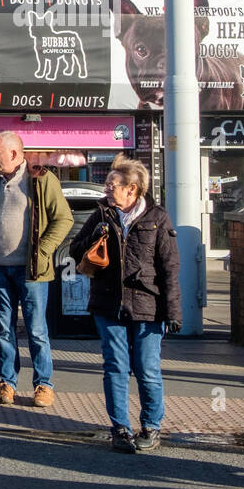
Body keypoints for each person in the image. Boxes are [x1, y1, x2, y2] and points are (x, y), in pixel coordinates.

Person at [69, 156, 181, 453]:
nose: (107, 188)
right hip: (109, 304)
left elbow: (170, 267)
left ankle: (151, 426)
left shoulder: (158, 218)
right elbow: (75, 250)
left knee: (147, 368)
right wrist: (92, 238)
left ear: (132, 189)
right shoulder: (102, 215)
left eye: (112, 184)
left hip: (148, 305)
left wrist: (173, 311)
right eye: (108, 183)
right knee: (115, 366)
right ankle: (119, 428)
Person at [0, 132, 73, 408]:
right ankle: (7, 382)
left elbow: (64, 218)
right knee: (3, 329)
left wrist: (43, 250)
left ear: (15, 154)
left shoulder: (41, 178)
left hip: (32, 271)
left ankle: (44, 384)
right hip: (1, 270)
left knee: (36, 330)